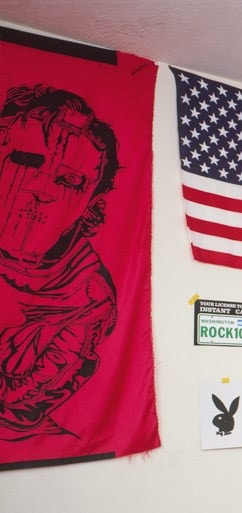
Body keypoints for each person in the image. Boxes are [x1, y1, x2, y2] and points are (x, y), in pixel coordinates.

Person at [0, 84, 120, 439]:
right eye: (26, 161)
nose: (42, 190)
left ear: (91, 204)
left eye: (69, 180)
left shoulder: (87, 298)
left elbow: (18, 405)